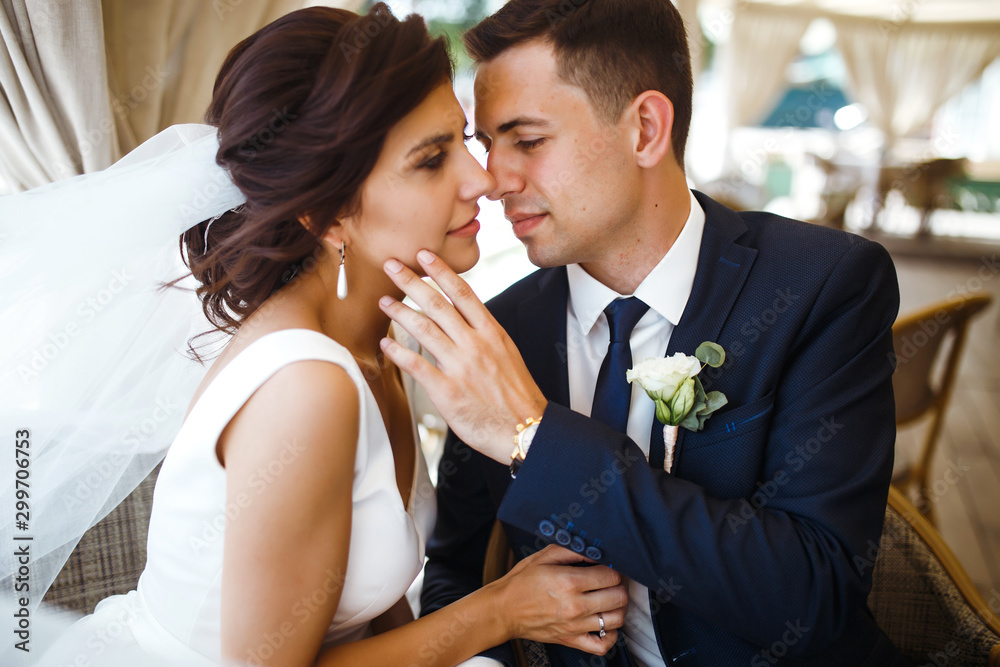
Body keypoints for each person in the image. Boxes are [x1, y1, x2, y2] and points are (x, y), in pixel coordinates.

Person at [4, 5, 629, 667]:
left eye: (462, 142)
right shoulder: (306, 387)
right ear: (328, 215)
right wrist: (501, 609)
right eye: (430, 160)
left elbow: (357, 606)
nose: (482, 181)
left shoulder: (377, 344)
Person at [376, 0, 911, 665]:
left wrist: (537, 436)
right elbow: (455, 567)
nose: (492, 180)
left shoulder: (822, 288)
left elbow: (815, 594)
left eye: (529, 140)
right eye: (488, 143)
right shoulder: (500, 331)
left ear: (647, 128)